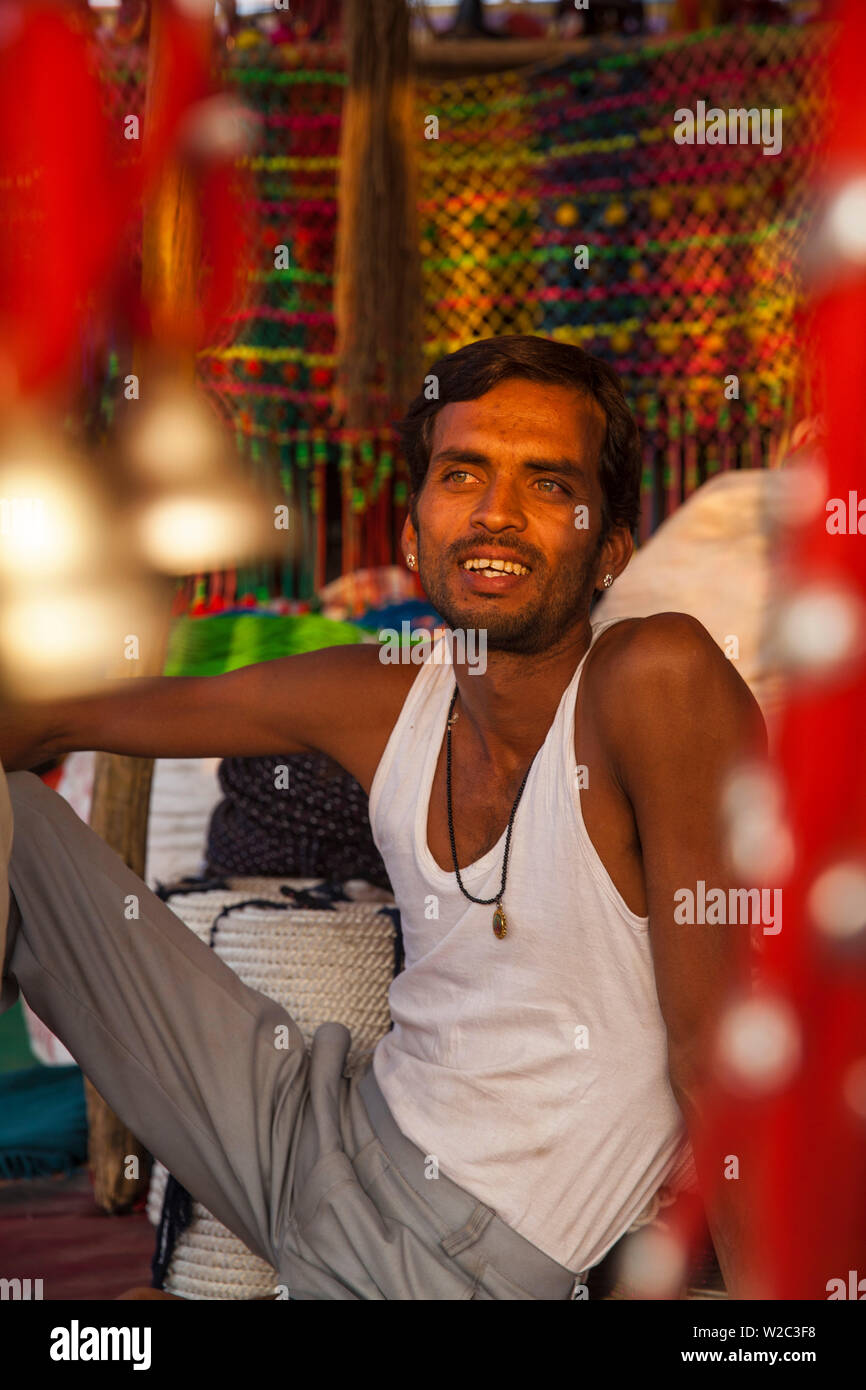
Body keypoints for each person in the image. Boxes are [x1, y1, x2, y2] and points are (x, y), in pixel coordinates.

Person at [0, 334, 766, 1300]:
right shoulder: (386, 692)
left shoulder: (658, 679)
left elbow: (724, 1056)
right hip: (314, 1133)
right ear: (412, 533)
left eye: (546, 483)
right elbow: (66, 718)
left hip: (458, 1263)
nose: (495, 513)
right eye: (463, 474)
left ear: (610, 545)